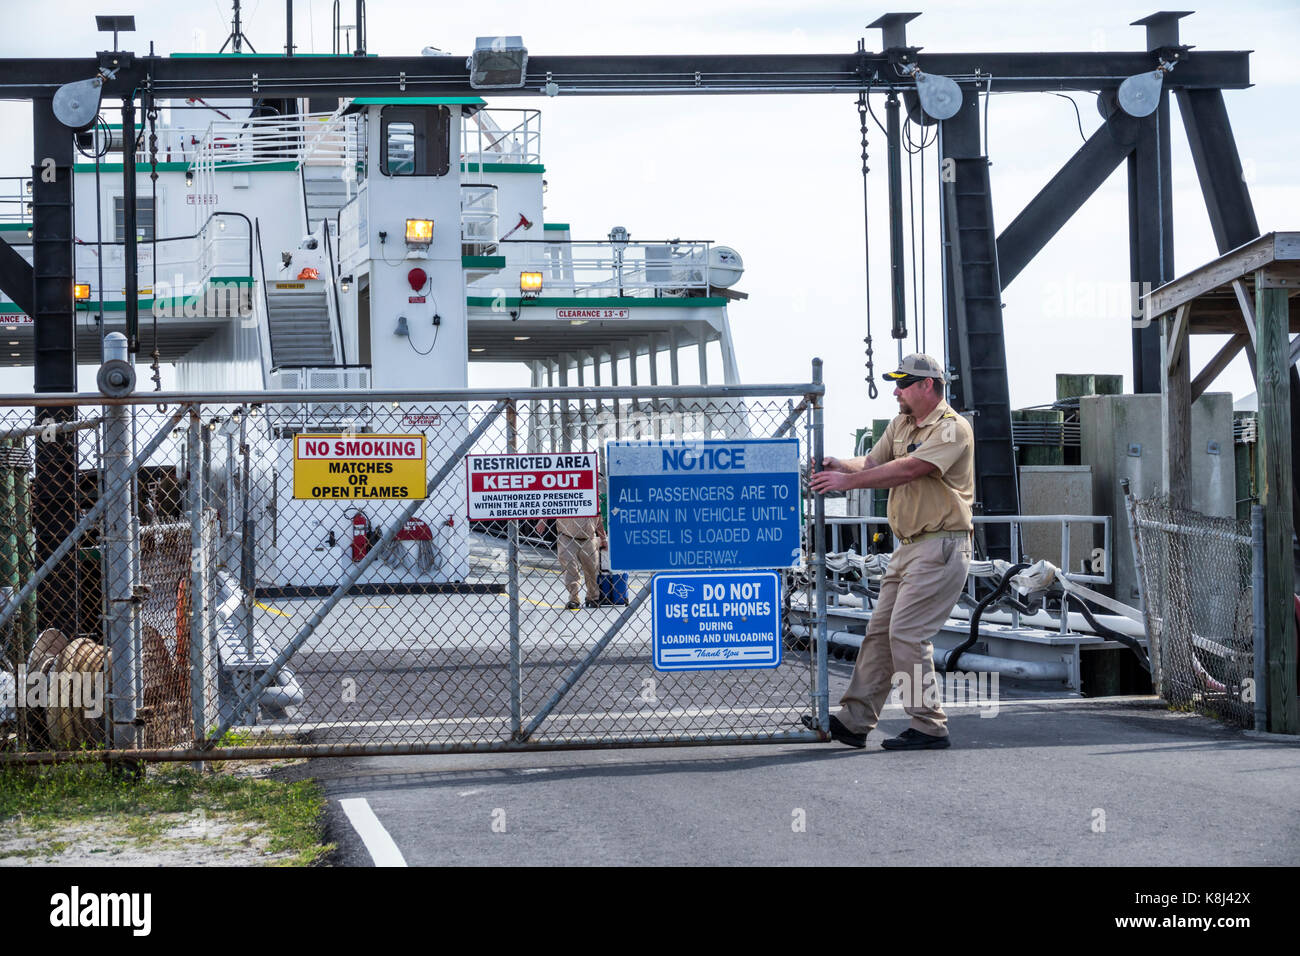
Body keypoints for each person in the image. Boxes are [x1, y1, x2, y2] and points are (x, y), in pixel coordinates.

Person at [805, 353, 974, 751]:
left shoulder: (952, 429)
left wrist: (847, 484)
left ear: (927, 386)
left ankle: (930, 726)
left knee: (907, 634)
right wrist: (840, 466)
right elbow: (871, 461)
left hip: (941, 544)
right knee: (880, 633)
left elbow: (909, 469)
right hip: (908, 547)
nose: (895, 391)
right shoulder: (901, 423)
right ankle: (855, 720)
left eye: (903, 384)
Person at [536, 513, 607, 609]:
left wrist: (603, 538)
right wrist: (543, 520)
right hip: (567, 536)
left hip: (589, 537)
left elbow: (599, 518)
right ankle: (574, 598)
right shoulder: (564, 497)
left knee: (592, 569)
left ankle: (593, 597)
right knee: (570, 568)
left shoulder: (593, 498)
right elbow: (552, 505)